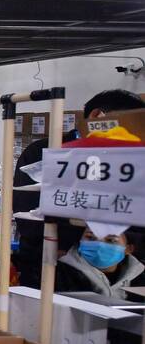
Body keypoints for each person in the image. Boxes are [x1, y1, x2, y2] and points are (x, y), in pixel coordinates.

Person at [14, 90, 145, 287]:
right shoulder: (46, 152)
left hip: (118, 272)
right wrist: (80, 241)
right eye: (130, 122)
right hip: (52, 268)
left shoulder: (131, 158)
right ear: (97, 116)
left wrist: (123, 243)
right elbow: (28, 216)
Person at [56, 228, 144, 298]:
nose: (99, 245)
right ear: (80, 242)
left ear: (128, 249)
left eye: (111, 240)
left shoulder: (141, 278)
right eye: (91, 238)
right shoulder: (57, 273)